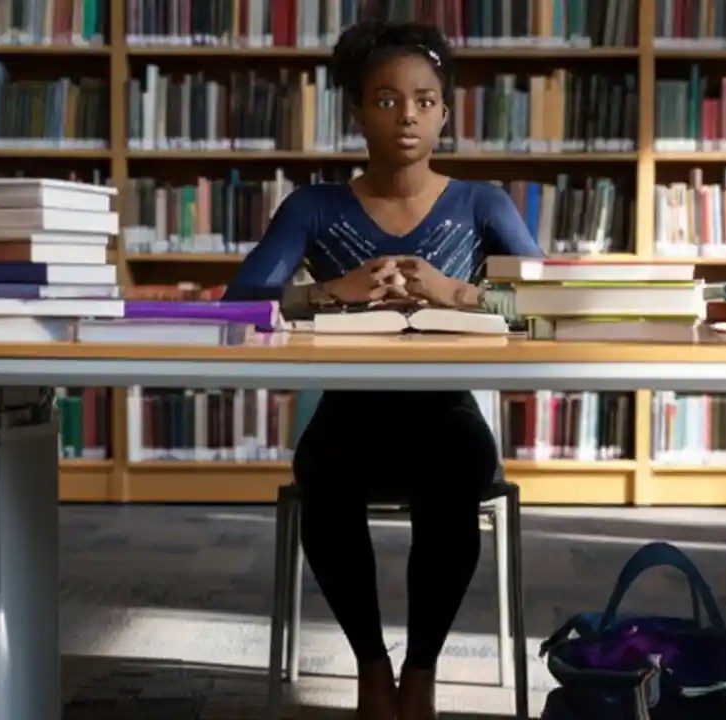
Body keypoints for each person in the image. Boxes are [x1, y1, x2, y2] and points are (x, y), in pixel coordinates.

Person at [222, 20, 543, 720]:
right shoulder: (314, 206)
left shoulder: (482, 204)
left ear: (446, 113)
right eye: (388, 100)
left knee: (455, 481)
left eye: (425, 101)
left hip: (446, 415)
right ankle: (371, 666)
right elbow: (240, 302)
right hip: (350, 415)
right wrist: (329, 292)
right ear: (358, 112)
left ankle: (422, 672)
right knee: (325, 479)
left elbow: (552, 307)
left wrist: (454, 291)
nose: (408, 116)